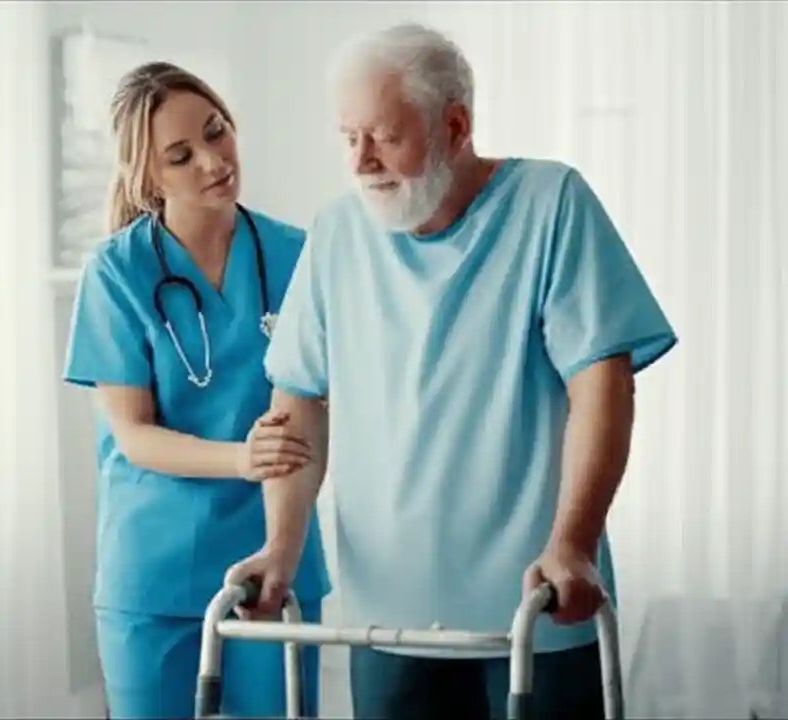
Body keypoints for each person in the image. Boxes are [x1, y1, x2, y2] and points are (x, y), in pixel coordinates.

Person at [225, 23, 678, 719]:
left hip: (537, 604)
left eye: (384, 136)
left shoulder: (549, 204)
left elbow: (603, 385)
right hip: (387, 615)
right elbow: (298, 402)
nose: (362, 161)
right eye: (349, 137)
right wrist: (280, 548)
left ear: (456, 126)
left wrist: (575, 543)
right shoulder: (338, 233)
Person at [61, 61, 333, 719]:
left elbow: (318, 400)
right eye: (180, 156)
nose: (213, 161)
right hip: (153, 570)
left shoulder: (299, 255)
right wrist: (244, 458)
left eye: (216, 132)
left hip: (275, 559)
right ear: (148, 177)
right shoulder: (118, 272)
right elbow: (133, 434)